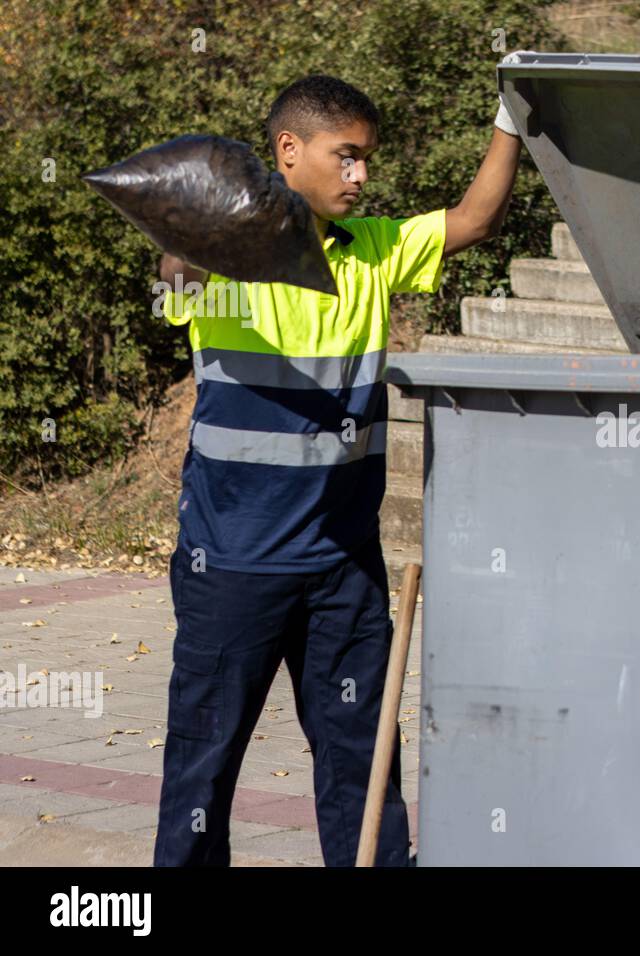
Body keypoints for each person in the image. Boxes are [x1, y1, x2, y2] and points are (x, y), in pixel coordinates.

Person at [152, 67, 525, 866]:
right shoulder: (229, 262)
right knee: (202, 770)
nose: (361, 176)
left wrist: (512, 117)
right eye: (344, 156)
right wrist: (192, 222)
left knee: (363, 764)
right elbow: (175, 274)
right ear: (289, 152)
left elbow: (474, 219)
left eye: (367, 160)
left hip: (343, 569)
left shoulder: (377, 251)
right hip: (234, 567)